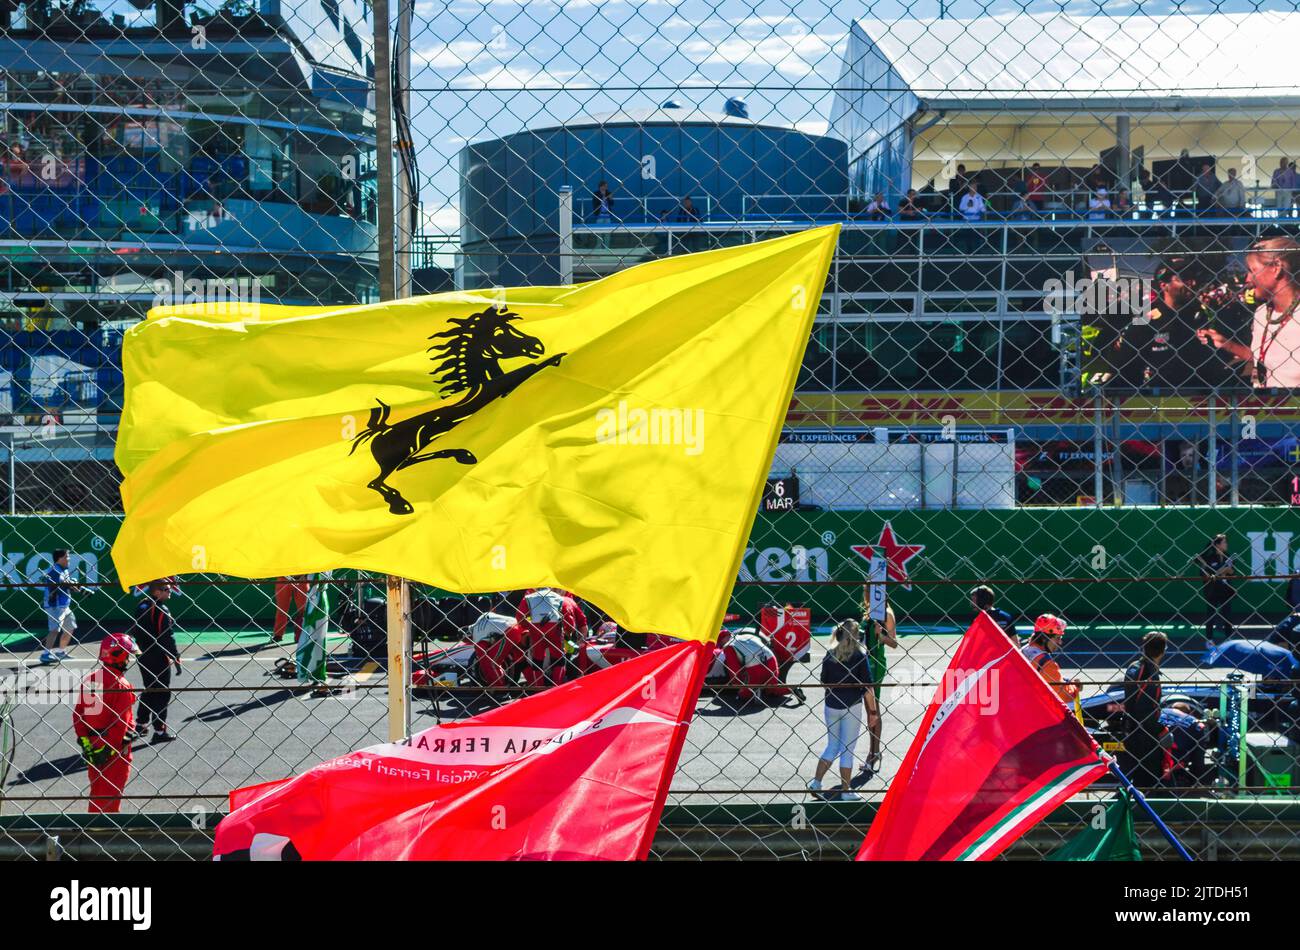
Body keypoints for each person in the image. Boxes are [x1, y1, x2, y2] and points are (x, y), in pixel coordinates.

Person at [1197, 237, 1300, 387]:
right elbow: (1261, 358)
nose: (1247, 278)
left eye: (1252, 271)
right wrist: (1228, 344)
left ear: (1276, 267)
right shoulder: (1261, 313)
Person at [73, 632, 140, 813]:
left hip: (92, 743)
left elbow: (78, 714)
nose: (129, 660)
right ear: (119, 656)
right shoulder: (121, 684)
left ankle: (96, 829)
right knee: (111, 795)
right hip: (114, 747)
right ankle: (103, 833)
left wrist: (86, 743)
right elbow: (121, 723)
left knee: (98, 791)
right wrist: (110, 749)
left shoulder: (91, 679)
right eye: (128, 656)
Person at [808, 620, 873, 801]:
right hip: (852, 705)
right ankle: (846, 791)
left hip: (831, 705)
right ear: (856, 636)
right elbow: (868, 686)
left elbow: (824, 681)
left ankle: (816, 782)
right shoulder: (860, 655)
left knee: (832, 746)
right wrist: (873, 712)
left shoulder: (830, 655)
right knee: (847, 750)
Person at [1118, 631, 1170, 790]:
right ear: (1163, 650)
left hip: (1132, 729)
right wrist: (1160, 728)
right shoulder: (1148, 674)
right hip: (1145, 735)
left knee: (1135, 775)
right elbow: (1145, 710)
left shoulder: (1134, 666)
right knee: (1148, 779)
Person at [133, 580, 181, 742]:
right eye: (166, 589)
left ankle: (140, 724)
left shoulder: (142, 605)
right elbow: (166, 636)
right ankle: (159, 731)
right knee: (162, 691)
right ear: (156, 592)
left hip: (142, 654)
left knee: (150, 688)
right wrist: (175, 656)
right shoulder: (161, 609)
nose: (170, 592)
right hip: (157, 656)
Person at [515, 587, 587, 688]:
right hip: (556, 628)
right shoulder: (561, 598)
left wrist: (529, 626)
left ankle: (538, 687)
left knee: (537, 659)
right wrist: (568, 632)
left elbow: (519, 617)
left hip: (536, 628)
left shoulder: (528, 597)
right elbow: (569, 618)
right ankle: (557, 685)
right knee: (559, 658)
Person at [719, 630, 790, 706]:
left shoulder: (728, 646)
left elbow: (734, 668)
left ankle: (754, 690)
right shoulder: (747, 635)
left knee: (744, 695)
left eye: (720, 642)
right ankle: (791, 689)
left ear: (723, 639)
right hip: (771, 660)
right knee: (772, 688)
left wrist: (738, 684)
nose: (722, 644)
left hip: (755, 666)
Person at [1022, 614, 1080, 703]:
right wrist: (1075, 687)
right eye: (1057, 638)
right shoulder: (1046, 663)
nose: (1060, 642)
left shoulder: (1023, 650)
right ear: (1045, 638)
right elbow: (1064, 696)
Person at [40, 548, 83, 664]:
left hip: (64, 605)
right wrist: (70, 585)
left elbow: (64, 584)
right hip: (55, 605)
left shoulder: (64, 570)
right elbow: (56, 586)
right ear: (60, 558)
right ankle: (45, 654)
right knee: (54, 630)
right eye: (67, 556)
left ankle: (60, 652)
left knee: (70, 627)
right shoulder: (55, 570)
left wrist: (74, 587)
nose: (69, 559)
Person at [1195, 534, 1236, 648]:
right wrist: (1221, 571)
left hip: (1226, 590)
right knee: (1211, 616)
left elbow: (1232, 572)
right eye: (1224, 542)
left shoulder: (1228, 557)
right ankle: (1209, 640)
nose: (1226, 544)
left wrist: (1224, 571)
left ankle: (1228, 639)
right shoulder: (1208, 558)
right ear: (1217, 545)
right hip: (1212, 590)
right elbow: (1206, 573)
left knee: (1227, 616)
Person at [272, 575, 309, 643]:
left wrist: (305, 575)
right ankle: (278, 635)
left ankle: (301, 635)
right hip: (283, 579)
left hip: (302, 579)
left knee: (303, 609)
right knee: (282, 609)